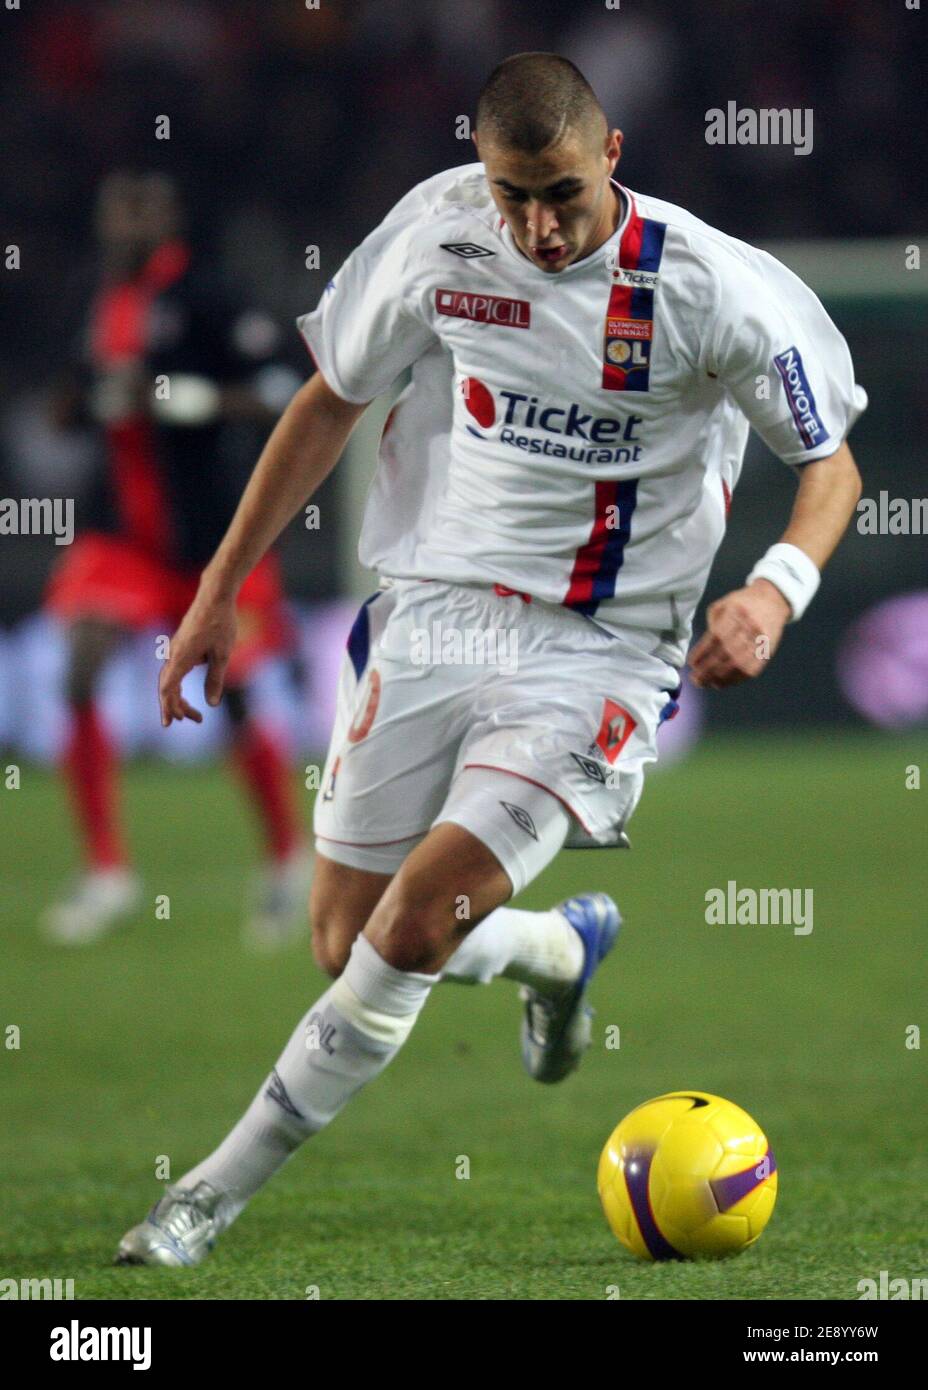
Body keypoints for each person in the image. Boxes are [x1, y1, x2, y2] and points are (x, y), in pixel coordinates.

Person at [116, 54, 865, 1266]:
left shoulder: (714, 289)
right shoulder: (437, 236)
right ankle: (563, 953)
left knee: (407, 933)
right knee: (341, 938)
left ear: (611, 154)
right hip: (436, 613)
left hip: (601, 652)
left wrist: (775, 594)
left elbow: (830, 468)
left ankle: (200, 1197)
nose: (536, 225)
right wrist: (218, 587)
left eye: (560, 192)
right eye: (512, 194)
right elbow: (329, 399)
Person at [43, 171, 311, 951]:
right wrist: (94, 400)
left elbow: (281, 386)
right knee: (80, 661)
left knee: (233, 695)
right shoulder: (92, 301)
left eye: (141, 209)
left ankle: (286, 860)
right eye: (116, 209)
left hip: (211, 540)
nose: (125, 223)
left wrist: (187, 397)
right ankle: (106, 870)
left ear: (168, 218)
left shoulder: (209, 297)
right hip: (120, 534)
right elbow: (64, 406)